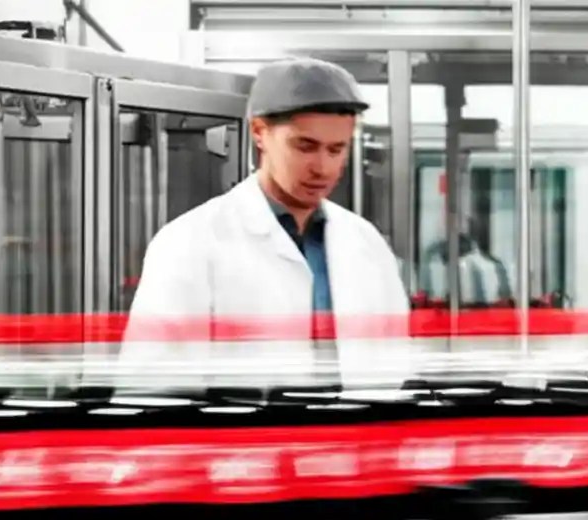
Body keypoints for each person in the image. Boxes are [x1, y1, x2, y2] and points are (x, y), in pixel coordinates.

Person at [118, 58, 411, 391]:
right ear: (260, 132)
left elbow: (394, 366)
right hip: (245, 442)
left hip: (353, 440)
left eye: (336, 149)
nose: (323, 168)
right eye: (305, 146)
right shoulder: (189, 243)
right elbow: (151, 387)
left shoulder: (366, 244)